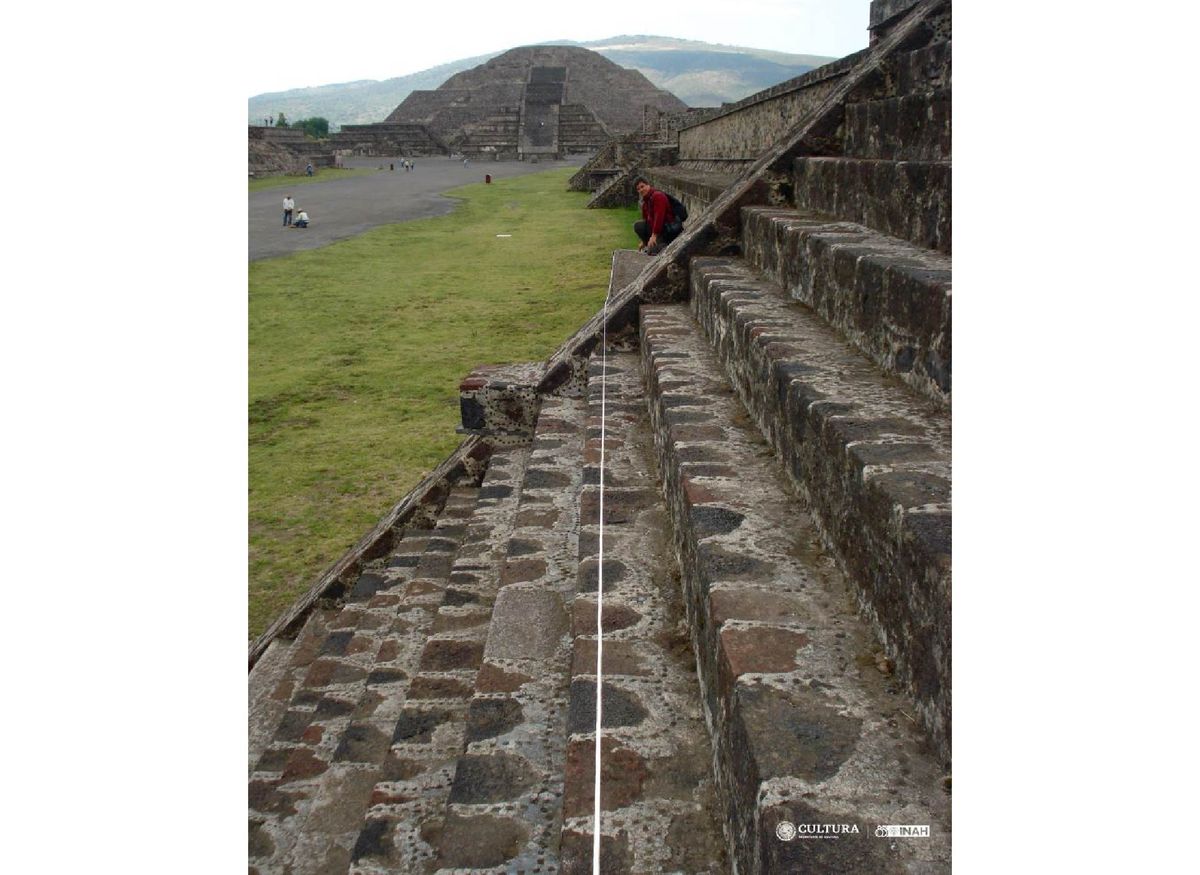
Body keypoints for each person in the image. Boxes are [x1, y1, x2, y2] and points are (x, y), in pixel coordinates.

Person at [633, 176, 683, 255]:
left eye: (642, 187)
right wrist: (643, 241)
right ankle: (652, 245)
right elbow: (646, 222)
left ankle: (664, 246)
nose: (641, 190)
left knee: (652, 252)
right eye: (638, 189)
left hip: (668, 230)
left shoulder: (658, 196)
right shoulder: (646, 203)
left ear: (648, 185)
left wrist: (654, 235)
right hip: (659, 231)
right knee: (638, 226)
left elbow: (659, 217)